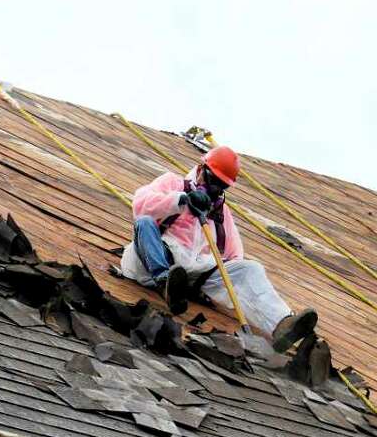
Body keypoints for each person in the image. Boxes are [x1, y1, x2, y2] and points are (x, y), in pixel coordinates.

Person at [118, 145, 318, 352]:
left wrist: (232, 280)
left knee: (249, 269)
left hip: (192, 276)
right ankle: (165, 283)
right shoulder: (172, 183)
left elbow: (234, 256)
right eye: (212, 180)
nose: (214, 189)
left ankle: (281, 325)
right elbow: (140, 205)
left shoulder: (221, 213)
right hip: (155, 260)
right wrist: (181, 200)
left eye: (221, 186)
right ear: (200, 169)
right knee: (144, 223)